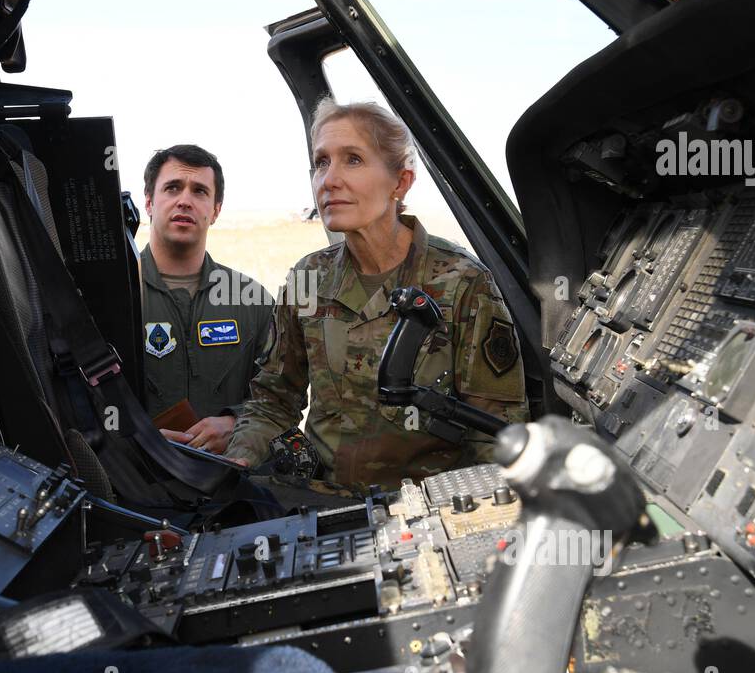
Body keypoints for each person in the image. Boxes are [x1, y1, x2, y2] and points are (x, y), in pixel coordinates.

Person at [225, 99, 529, 490]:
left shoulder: (463, 282)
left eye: (352, 159)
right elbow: (273, 400)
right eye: (321, 162)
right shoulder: (308, 278)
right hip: (322, 501)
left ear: (400, 182)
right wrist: (240, 459)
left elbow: (496, 433)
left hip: (424, 512)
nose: (329, 179)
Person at [140, 144, 274, 453]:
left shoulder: (252, 301)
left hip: (232, 484)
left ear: (215, 210)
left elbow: (283, 397)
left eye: (199, 191)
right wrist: (138, 441)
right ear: (149, 202)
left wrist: (236, 424)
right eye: (172, 188)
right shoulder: (114, 296)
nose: (184, 200)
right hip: (135, 487)